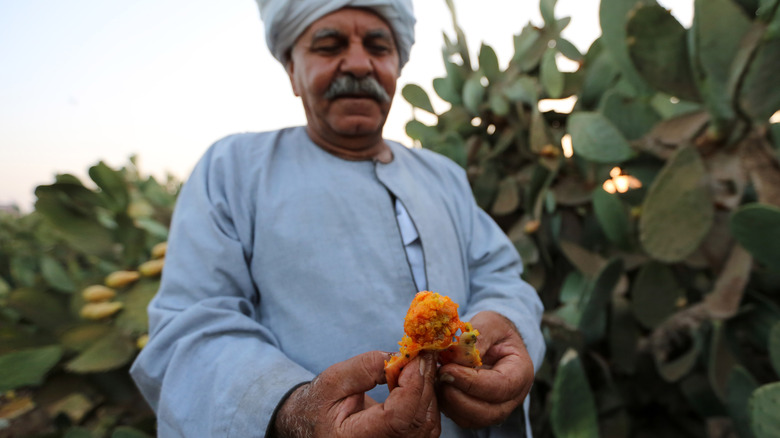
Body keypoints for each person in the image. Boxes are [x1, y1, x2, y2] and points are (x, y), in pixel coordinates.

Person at [130, 1, 545, 436]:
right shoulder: (232, 170)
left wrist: (507, 324)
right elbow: (189, 331)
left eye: (378, 48)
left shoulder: (443, 176)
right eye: (329, 47)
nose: (359, 64)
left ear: (396, 66)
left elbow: (499, 275)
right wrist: (290, 409)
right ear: (292, 69)